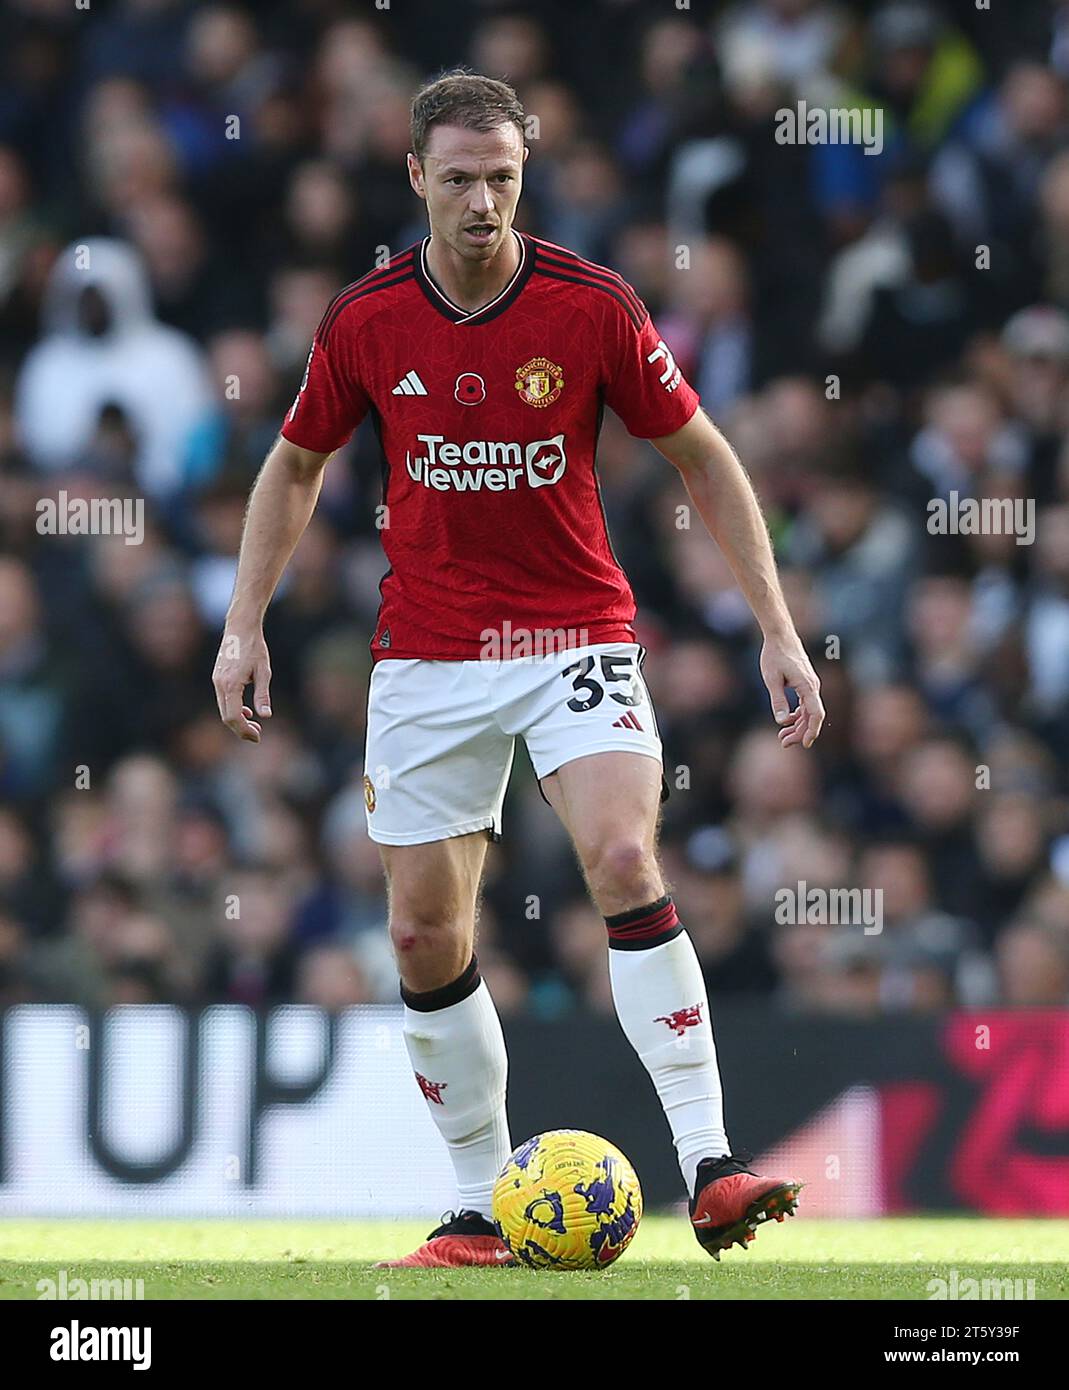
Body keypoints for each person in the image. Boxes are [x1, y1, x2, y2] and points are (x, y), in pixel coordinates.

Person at [213, 70, 824, 1267]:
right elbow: (294, 468)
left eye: (501, 177)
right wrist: (245, 623)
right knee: (420, 937)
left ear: (523, 175)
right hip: (427, 654)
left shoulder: (591, 305)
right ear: (414, 180)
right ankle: (480, 1205)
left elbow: (702, 456)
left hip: (572, 635)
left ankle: (707, 1162)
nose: (482, 201)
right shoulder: (364, 320)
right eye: (457, 179)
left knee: (622, 855)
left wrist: (777, 625)